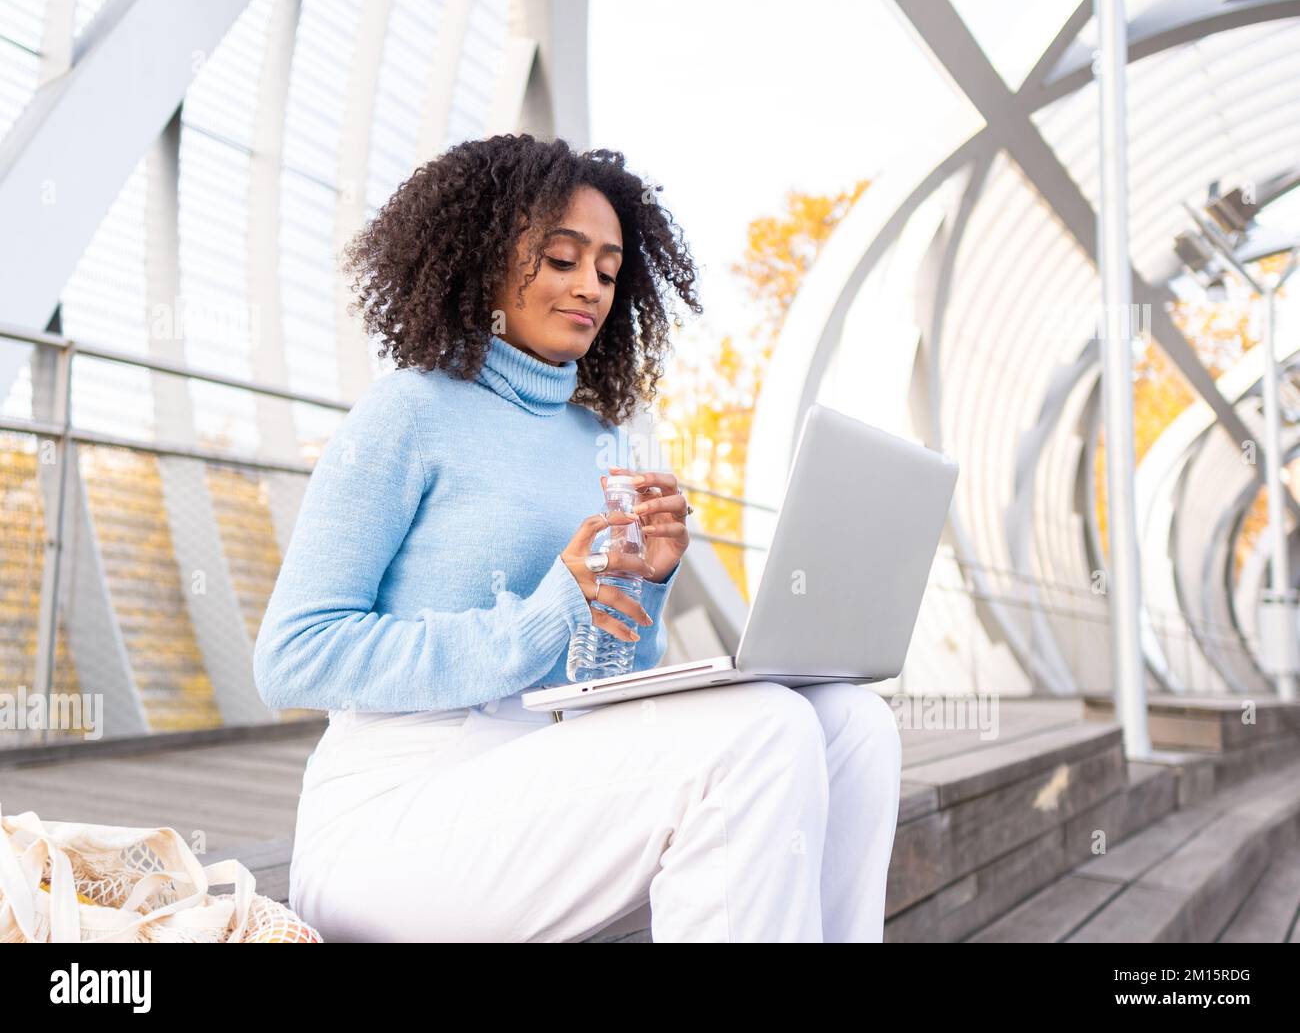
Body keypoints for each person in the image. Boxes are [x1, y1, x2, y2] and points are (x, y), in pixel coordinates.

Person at [252, 133, 902, 942]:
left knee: (851, 723)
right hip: (398, 806)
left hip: (547, 779)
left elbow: (600, 677)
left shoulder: (600, 441)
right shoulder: (406, 413)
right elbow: (293, 656)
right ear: (485, 258)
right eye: (561, 260)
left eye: (606, 269)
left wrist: (644, 589)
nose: (589, 287)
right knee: (763, 731)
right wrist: (541, 617)